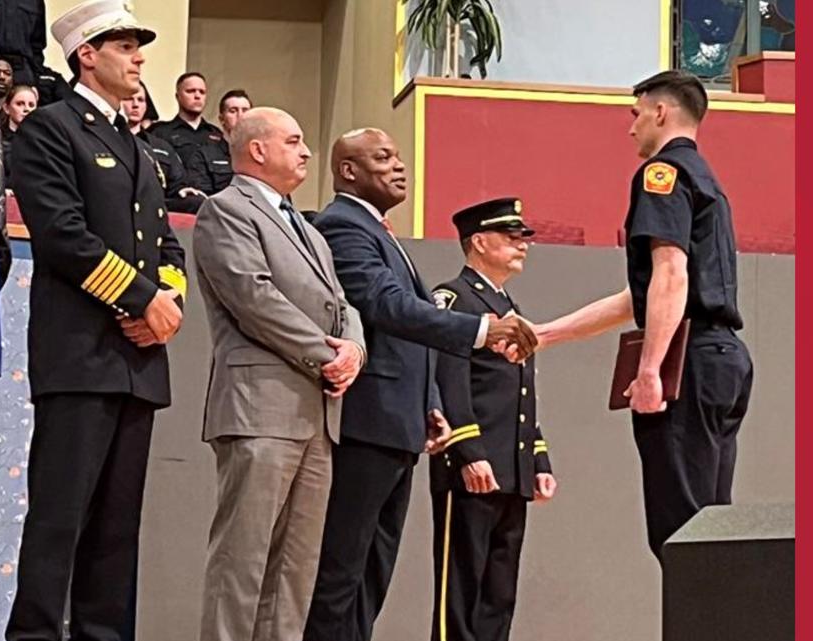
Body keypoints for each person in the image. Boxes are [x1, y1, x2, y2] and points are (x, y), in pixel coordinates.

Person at [305, 130, 538, 641]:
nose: (399, 166)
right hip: (368, 421)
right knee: (343, 570)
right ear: (348, 171)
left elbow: (416, 347)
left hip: (400, 422)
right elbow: (386, 305)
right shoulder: (343, 226)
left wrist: (429, 403)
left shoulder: (382, 233)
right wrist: (479, 330)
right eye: (383, 157)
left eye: (398, 156)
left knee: (373, 570)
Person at [4, 1, 187, 639]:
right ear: (87, 53)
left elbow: (166, 244)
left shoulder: (135, 145)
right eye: (125, 46)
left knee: (116, 532)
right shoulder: (51, 129)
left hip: (135, 363)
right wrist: (141, 300)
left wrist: (170, 305)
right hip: (81, 355)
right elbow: (63, 236)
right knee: (61, 521)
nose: (139, 58)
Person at [535, 70, 753, 560]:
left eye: (635, 115)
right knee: (711, 528)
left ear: (660, 111)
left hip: (689, 361)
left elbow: (671, 274)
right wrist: (547, 334)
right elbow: (645, 295)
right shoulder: (710, 182)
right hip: (724, 359)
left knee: (682, 534)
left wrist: (650, 369)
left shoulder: (663, 174)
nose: (630, 128)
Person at [194, 107, 366, 641]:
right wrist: (325, 353)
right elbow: (253, 297)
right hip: (260, 407)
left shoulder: (306, 227)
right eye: (293, 140)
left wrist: (355, 348)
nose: (307, 152)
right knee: (241, 562)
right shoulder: (225, 211)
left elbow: (343, 304)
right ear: (258, 150)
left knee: (294, 570)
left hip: (316, 414)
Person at [427, 197, 557, 641]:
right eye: (511, 236)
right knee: (460, 591)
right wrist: (468, 452)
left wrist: (538, 460)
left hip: (510, 467)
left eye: (523, 237)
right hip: (472, 468)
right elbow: (449, 380)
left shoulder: (507, 304)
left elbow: (519, 396)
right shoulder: (454, 299)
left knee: (499, 592)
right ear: (478, 242)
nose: (523, 245)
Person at [122, 81, 206, 213]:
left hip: (158, 204)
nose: (135, 105)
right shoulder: (108, 138)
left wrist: (181, 189)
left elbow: (177, 181)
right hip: (124, 203)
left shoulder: (160, 145)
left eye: (141, 100)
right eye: (128, 99)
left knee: (197, 201)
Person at [149, 71, 224, 166]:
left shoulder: (216, 134)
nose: (197, 96)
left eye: (202, 92)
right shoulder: (160, 133)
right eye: (191, 91)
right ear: (178, 96)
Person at [187, 89, 251, 196]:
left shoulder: (262, 153)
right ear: (222, 119)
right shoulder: (204, 155)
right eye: (233, 111)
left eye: (245, 111)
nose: (240, 116)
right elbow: (203, 199)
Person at [0, 83, 38, 188]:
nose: (26, 109)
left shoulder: (45, 141)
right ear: (6, 108)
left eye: (31, 105)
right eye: (20, 104)